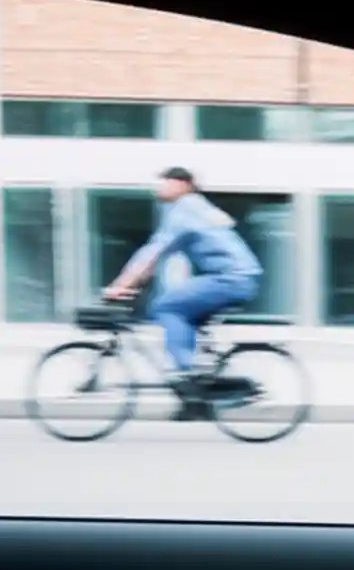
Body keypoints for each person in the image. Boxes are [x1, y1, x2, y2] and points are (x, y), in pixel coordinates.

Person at [103, 167, 263, 418]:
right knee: (183, 313)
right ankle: (194, 400)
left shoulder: (186, 209)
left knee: (166, 306)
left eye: (166, 183)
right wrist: (137, 279)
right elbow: (156, 258)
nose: (160, 188)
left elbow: (154, 250)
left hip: (229, 279)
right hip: (239, 277)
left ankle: (186, 377)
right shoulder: (197, 208)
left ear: (184, 185)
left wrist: (121, 285)